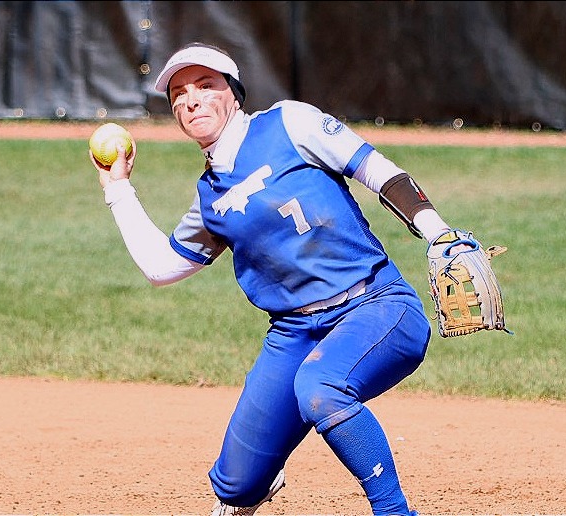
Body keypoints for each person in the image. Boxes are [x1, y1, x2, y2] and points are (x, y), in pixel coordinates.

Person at [91, 42, 458, 516]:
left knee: (322, 387)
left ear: (234, 93)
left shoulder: (289, 123)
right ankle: (258, 482)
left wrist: (438, 232)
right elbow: (162, 266)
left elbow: (375, 169)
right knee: (236, 486)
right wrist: (118, 188)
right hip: (293, 332)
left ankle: (394, 511)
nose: (192, 100)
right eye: (179, 94)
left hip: (377, 305)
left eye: (206, 86)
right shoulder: (210, 199)